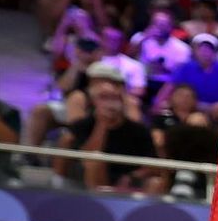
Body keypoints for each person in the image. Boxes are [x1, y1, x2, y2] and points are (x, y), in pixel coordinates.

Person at [60, 63, 166, 193]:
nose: (110, 103)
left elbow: (153, 165)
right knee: (95, 160)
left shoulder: (139, 130)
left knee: (155, 182)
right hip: (89, 178)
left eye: (114, 98)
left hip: (129, 180)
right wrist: (102, 125)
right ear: (93, 101)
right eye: (104, 98)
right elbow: (87, 155)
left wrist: (132, 176)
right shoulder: (82, 125)